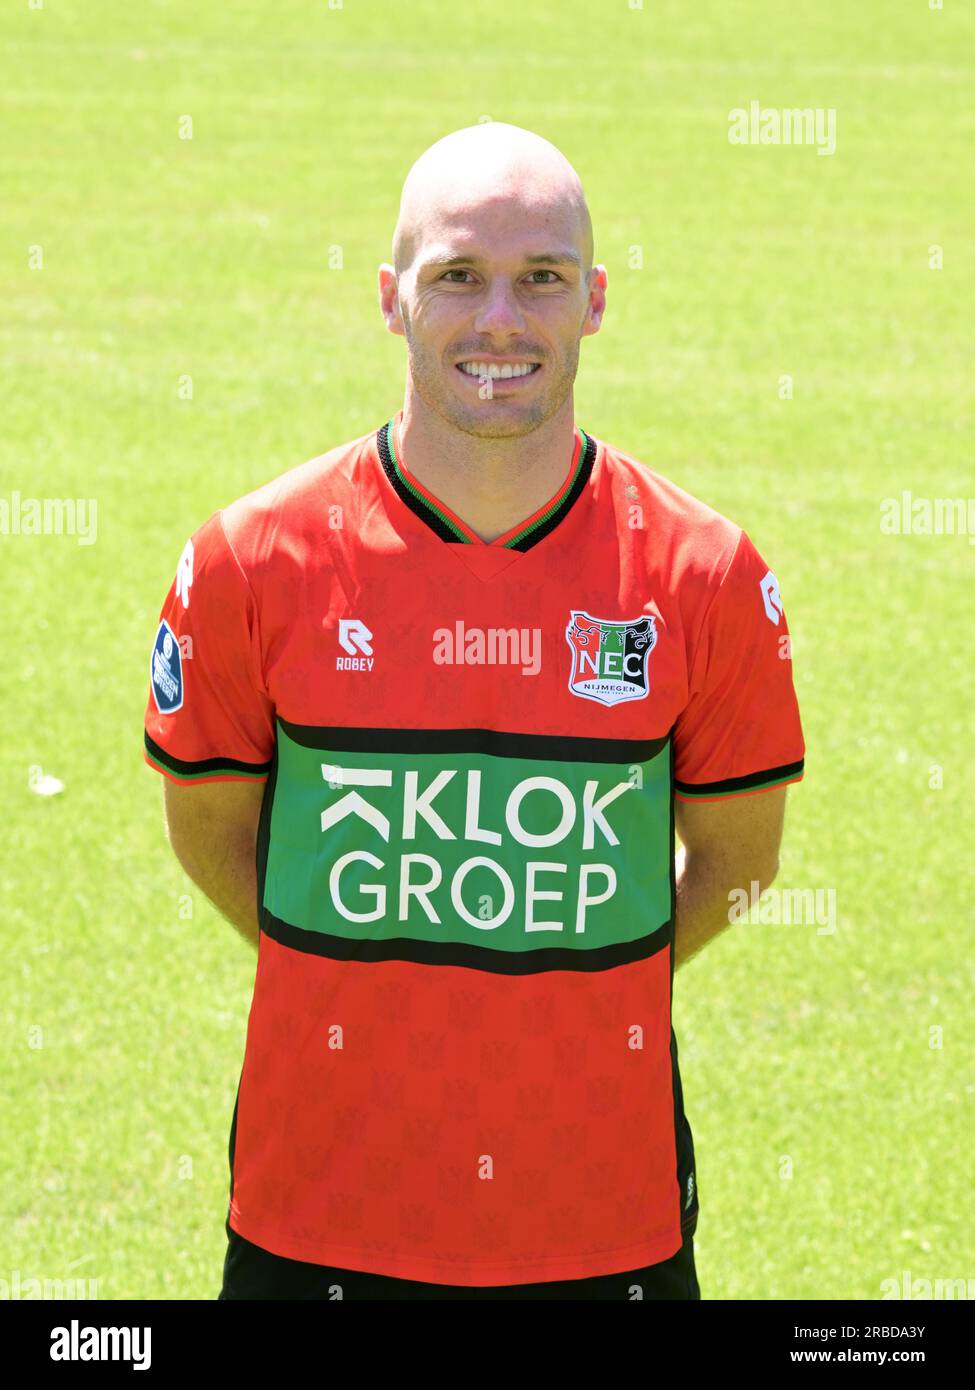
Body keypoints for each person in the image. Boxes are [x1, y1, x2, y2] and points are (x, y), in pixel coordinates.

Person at [143, 123, 804, 1300]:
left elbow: (738, 862)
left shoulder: (703, 574)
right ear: (392, 300)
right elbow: (209, 831)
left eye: (540, 277)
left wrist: (568, 984)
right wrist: (360, 978)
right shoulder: (252, 561)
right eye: (459, 276)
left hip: (606, 1216)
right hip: (318, 1214)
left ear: (593, 300)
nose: (501, 318)